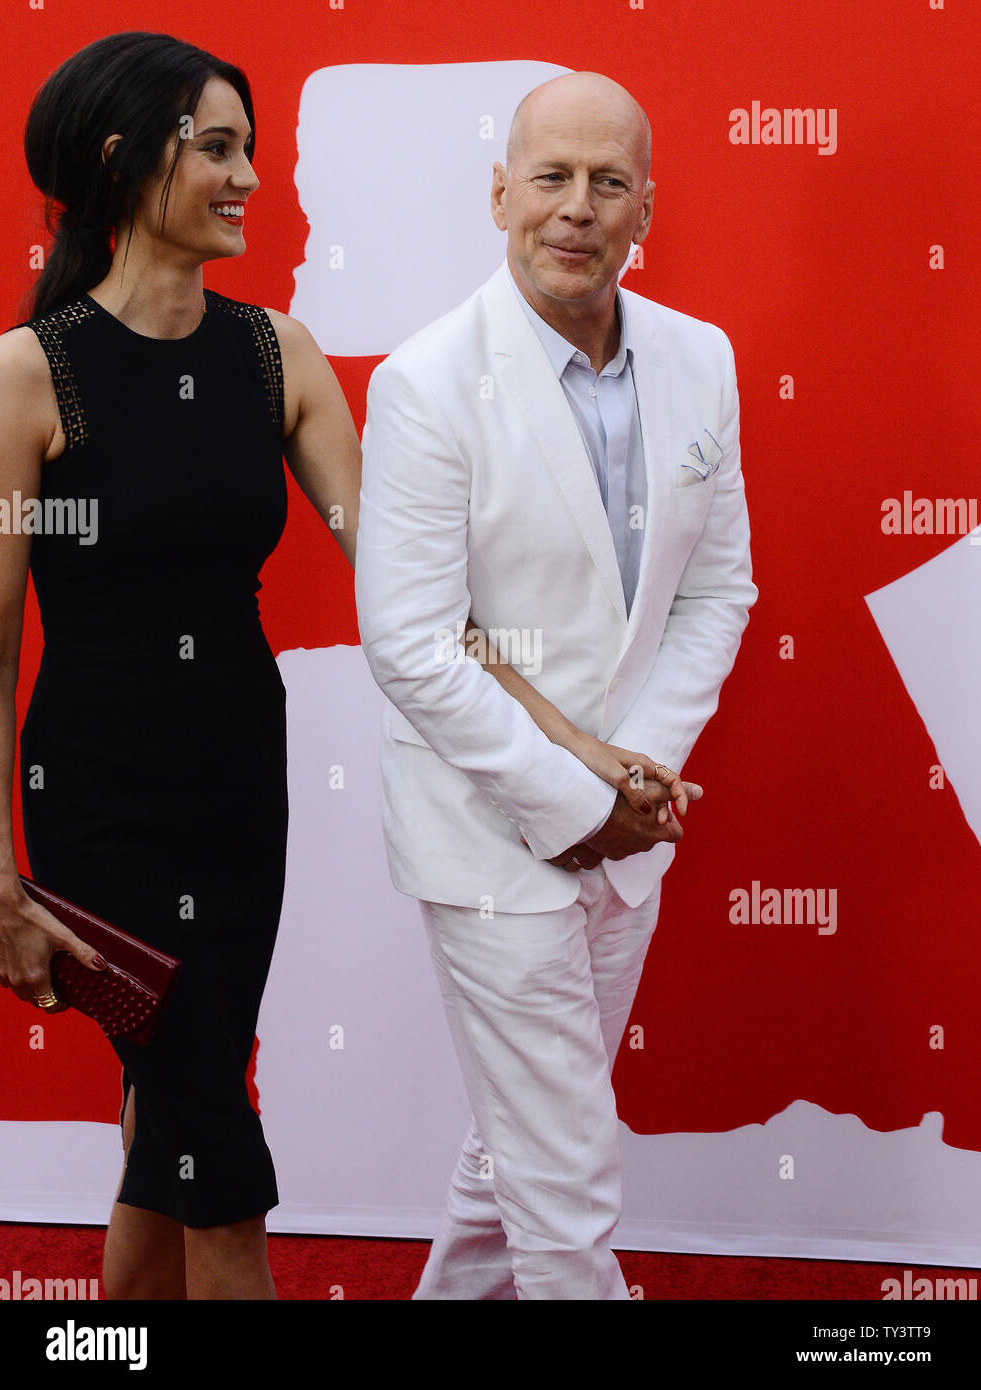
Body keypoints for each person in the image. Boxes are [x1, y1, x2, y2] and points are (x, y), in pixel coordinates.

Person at [355, 70, 758, 1299]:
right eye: (550, 178)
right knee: (566, 1170)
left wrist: (633, 777)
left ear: (647, 207)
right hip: (487, 843)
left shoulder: (702, 356)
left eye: (608, 182)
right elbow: (411, 641)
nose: (576, 208)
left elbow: (716, 593)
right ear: (500, 196)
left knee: (520, 1138)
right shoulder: (426, 382)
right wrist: (574, 798)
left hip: (629, 834)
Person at [0, 31, 362, 1299]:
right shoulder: (28, 375)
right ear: (124, 161)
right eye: (216, 147)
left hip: (235, 790)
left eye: (247, 148)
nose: (248, 176)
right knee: (221, 1148)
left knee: (176, 1118)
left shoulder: (280, 356)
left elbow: (405, 574)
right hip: (96, 803)